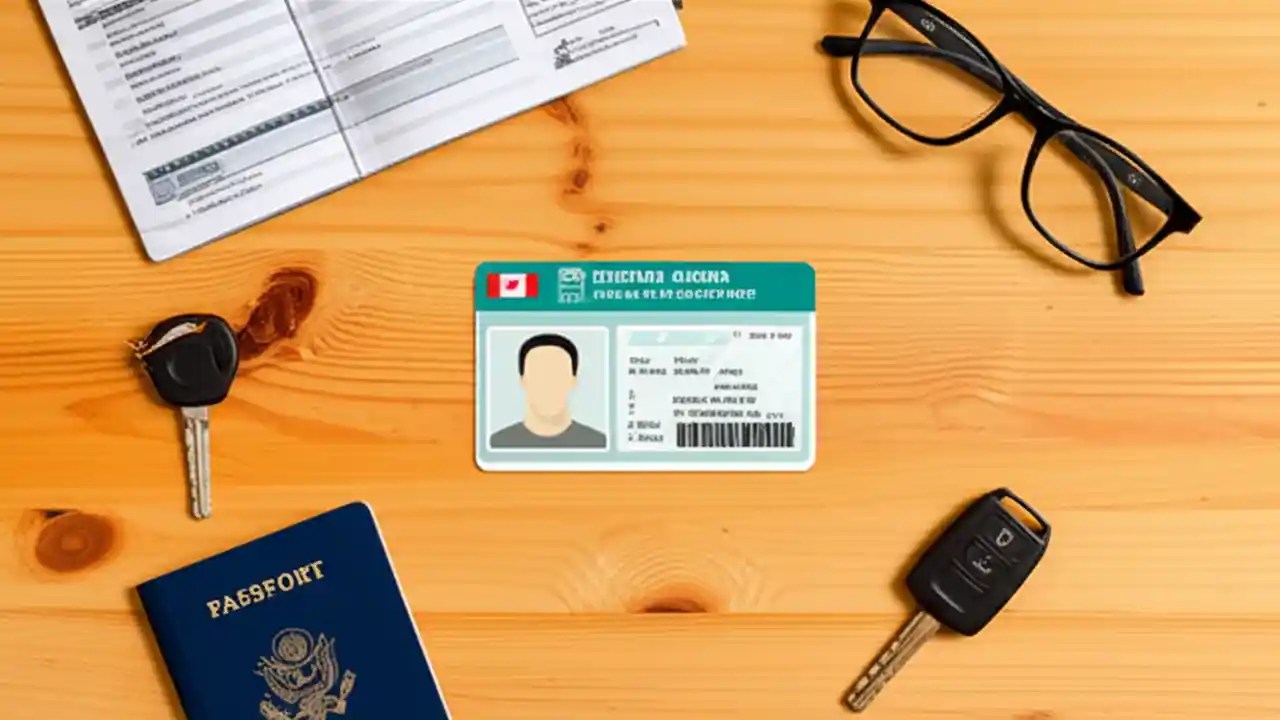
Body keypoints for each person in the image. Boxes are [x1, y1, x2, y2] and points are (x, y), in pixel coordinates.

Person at [490, 334, 607, 449]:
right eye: (538, 373)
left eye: (557, 373)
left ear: (573, 380)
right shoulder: (497, 444)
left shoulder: (598, 443)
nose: (548, 383)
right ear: (522, 380)